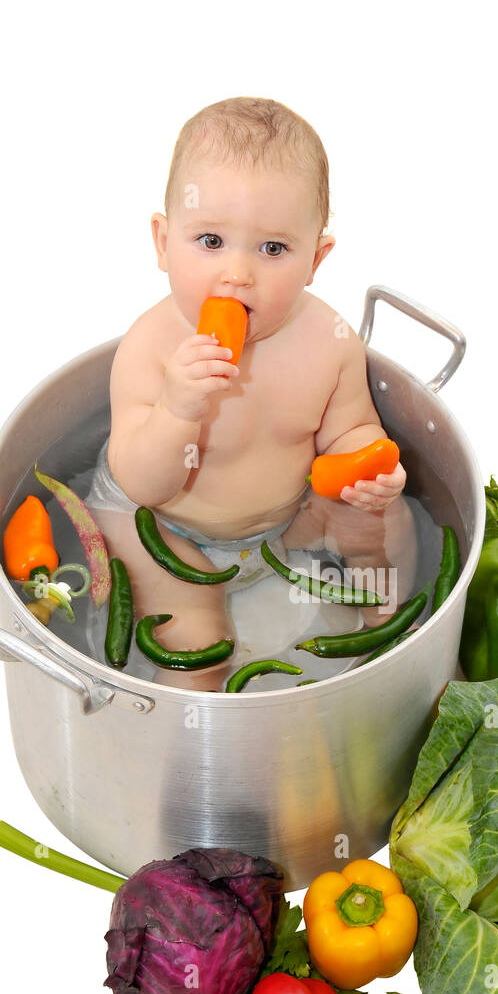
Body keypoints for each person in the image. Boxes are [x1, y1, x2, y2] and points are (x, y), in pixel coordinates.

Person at [86, 96, 415, 689]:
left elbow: (348, 429)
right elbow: (141, 479)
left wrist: (369, 466)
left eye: (272, 249)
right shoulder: (152, 346)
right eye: (210, 241)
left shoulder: (329, 341)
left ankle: (386, 636)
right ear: (163, 243)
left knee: (383, 520)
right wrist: (177, 409)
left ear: (316, 257)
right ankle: (207, 714)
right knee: (199, 640)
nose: (237, 273)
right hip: (161, 524)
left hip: (284, 519)